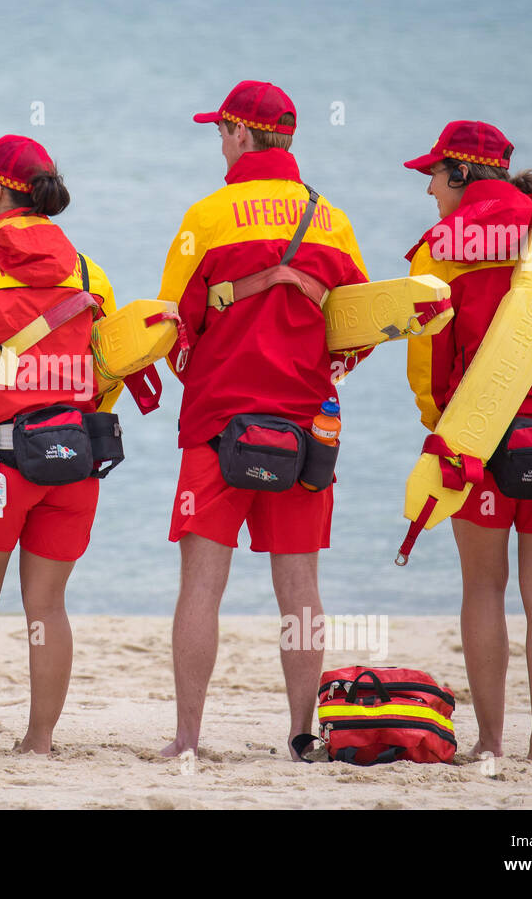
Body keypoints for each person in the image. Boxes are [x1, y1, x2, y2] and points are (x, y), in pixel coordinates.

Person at [156, 81, 370, 761]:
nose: (219, 144)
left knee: (202, 586)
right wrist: (311, 371)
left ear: (242, 134)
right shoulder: (331, 219)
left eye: (221, 131)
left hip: (218, 424)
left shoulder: (208, 215)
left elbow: (171, 327)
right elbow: (362, 330)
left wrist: (209, 369)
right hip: (305, 431)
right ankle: (302, 736)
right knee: (300, 587)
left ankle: (188, 740)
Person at [402, 121, 532, 765]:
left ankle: (490, 742)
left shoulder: (441, 246)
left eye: (434, 174)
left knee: (482, 589)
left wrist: (446, 427)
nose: (429, 190)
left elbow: (426, 366)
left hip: (478, 437)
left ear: (461, 173)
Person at [0, 135, 121, 758]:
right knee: (48, 605)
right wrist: (71, 424)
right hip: (74, 460)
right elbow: (107, 372)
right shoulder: (91, 272)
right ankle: (39, 740)